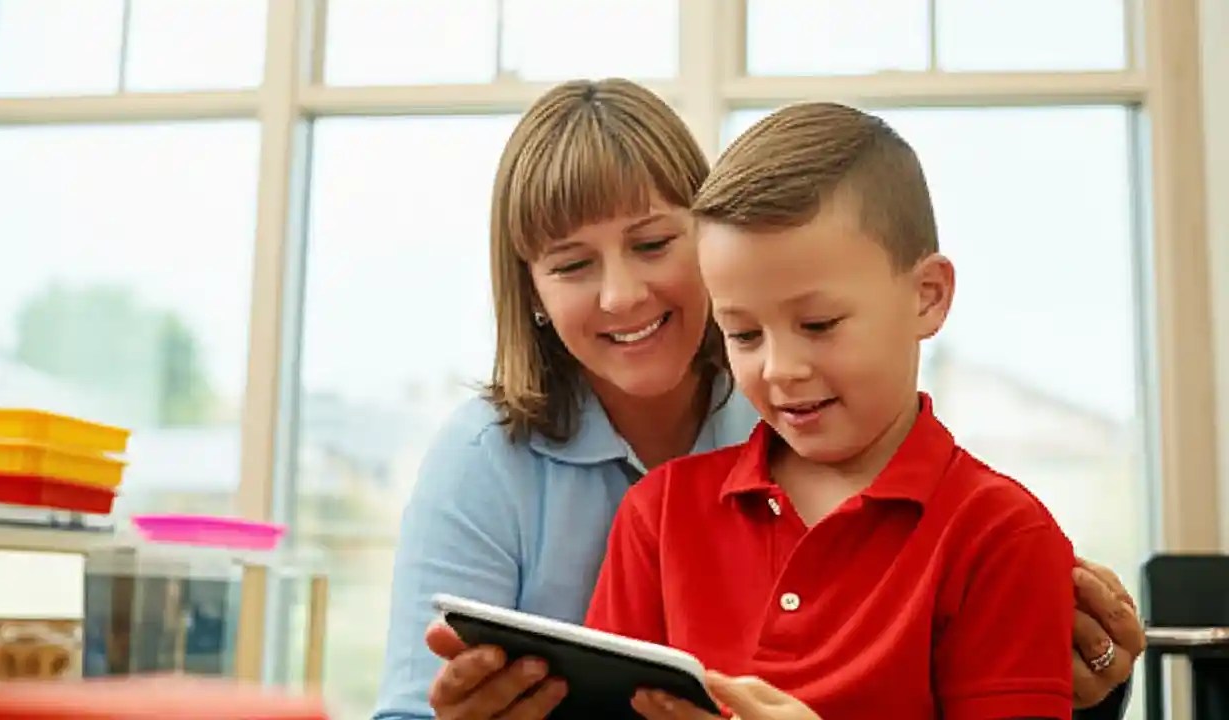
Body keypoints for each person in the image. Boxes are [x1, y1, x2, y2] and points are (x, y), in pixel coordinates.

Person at [370, 78, 1144, 720]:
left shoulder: (992, 527)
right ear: (531, 290)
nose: (782, 371)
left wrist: (1085, 669)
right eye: (572, 265)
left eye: (651, 244)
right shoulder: (646, 513)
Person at [584, 100, 1089, 719]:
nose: (779, 368)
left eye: (818, 324)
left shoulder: (1002, 537)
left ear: (927, 298)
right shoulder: (658, 518)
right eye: (743, 335)